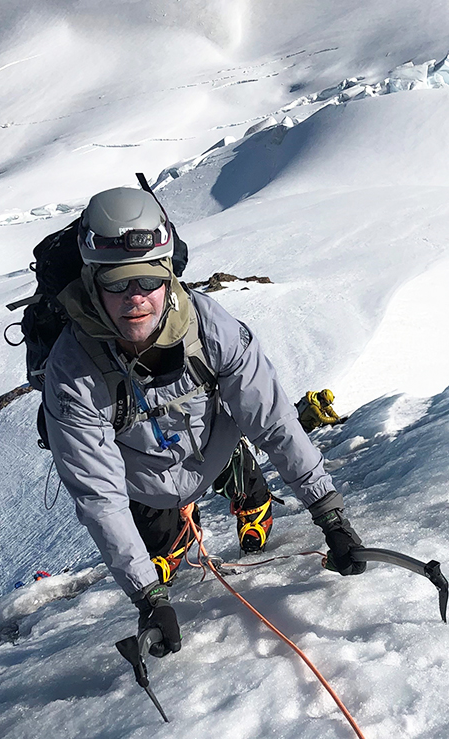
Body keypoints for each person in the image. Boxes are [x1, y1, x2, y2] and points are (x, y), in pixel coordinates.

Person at [43, 187, 365, 658]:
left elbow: (273, 422)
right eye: (117, 284)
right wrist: (147, 595)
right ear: (93, 283)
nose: (135, 298)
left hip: (210, 447)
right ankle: (172, 535)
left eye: (148, 281)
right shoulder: (72, 371)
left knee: (236, 435)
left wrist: (330, 516)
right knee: (159, 552)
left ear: (168, 277)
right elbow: (100, 495)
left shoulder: (212, 330)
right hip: (143, 481)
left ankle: (246, 491)